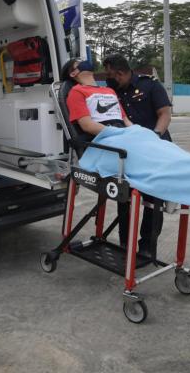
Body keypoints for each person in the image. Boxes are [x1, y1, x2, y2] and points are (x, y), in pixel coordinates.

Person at [103, 53, 172, 255]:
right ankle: (126, 244)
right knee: (124, 199)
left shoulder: (151, 86)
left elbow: (165, 114)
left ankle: (147, 248)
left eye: (110, 74)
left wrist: (155, 136)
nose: (108, 78)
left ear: (120, 73)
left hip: (154, 152)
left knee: (153, 203)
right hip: (128, 155)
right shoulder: (112, 90)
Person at [62, 58, 132, 138]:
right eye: (79, 63)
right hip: (104, 138)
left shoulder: (110, 91)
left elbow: (126, 120)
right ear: (73, 73)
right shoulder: (76, 92)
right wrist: (119, 134)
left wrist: (136, 132)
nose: (84, 62)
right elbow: (87, 125)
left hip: (121, 132)